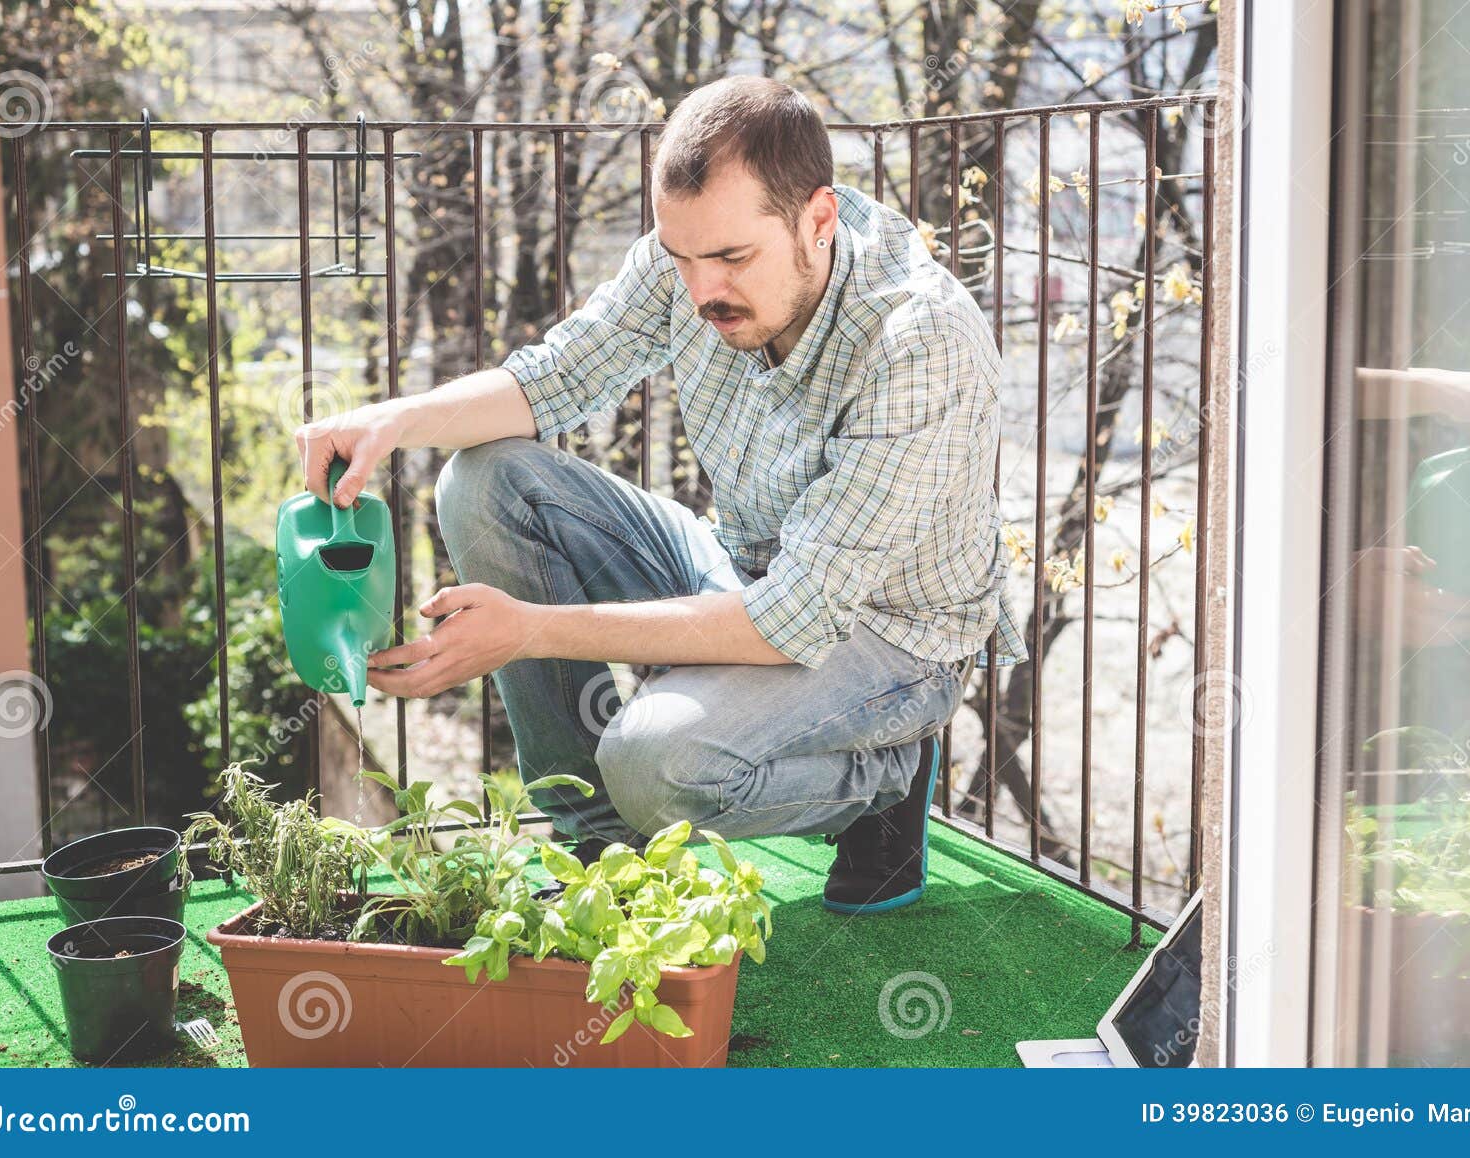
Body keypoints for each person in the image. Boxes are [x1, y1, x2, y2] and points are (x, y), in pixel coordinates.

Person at [293, 76, 1027, 913]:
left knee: (656, 764)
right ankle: (598, 844)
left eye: (729, 259)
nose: (698, 289)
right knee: (482, 478)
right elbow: (556, 378)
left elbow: (796, 617)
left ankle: (885, 778)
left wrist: (529, 632)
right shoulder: (692, 255)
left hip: (889, 638)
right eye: (680, 257)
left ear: (818, 220)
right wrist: (391, 419)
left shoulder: (920, 341)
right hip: (743, 566)